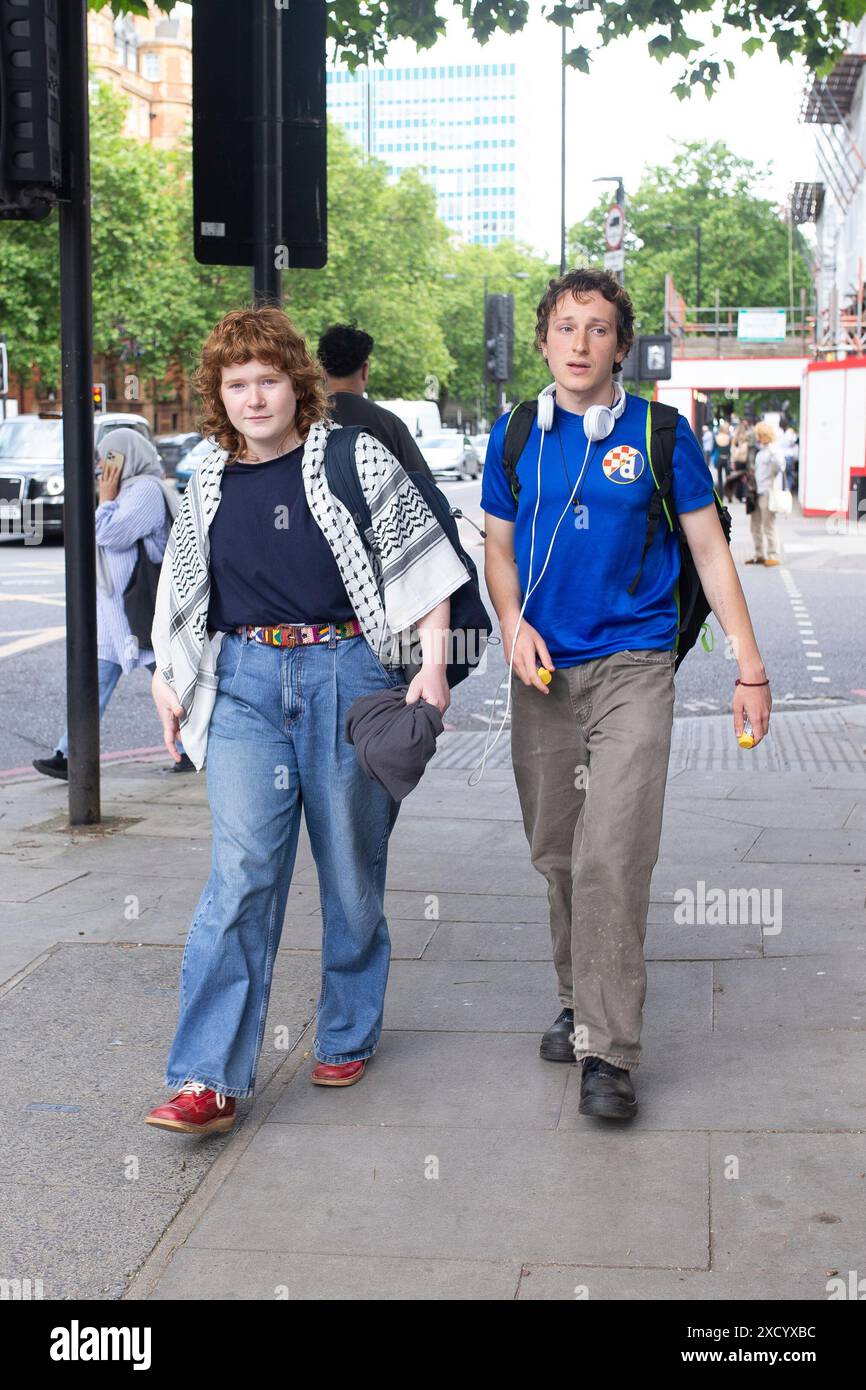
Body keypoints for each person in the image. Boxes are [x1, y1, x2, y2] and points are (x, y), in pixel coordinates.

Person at [145, 306, 469, 1135]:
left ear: (298, 382)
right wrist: (168, 680)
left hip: (348, 673)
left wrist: (432, 667)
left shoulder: (352, 455)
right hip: (244, 678)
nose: (254, 398)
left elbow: (424, 563)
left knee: (351, 866)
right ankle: (206, 1077)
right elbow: (182, 590)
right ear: (221, 394)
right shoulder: (207, 475)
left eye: (268, 379)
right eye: (237, 383)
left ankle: (348, 1028)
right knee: (244, 868)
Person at [481, 268, 772, 1122]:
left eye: (598, 328)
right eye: (565, 327)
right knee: (560, 853)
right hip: (542, 673)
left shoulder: (659, 433)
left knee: (615, 852)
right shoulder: (513, 437)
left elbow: (714, 554)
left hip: (635, 667)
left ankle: (608, 1051)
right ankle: (577, 1000)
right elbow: (498, 549)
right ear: (542, 340)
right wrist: (509, 622)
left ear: (621, 344)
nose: (579, 343)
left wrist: (749, 669)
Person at [32, 427, 189, 781]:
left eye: (109, 456)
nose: (102, 464)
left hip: (138, 612)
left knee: (170, 684)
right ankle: (69, 754)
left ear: (126, 456)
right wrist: (108, 496)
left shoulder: (146, 490)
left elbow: (107, 534)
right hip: (113, 615)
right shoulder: (125, 490)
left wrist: (105, 498)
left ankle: (193, 747)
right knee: (93, 682)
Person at [317, 322, 434, 482]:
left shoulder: (303, 420)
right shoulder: (390, 424)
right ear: (365, 370)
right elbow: (425, 488)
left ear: (321, 371)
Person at [746, 421, 785, 567]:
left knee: (768, 525)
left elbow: (780, 467)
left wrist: (774, 457)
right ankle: (759, 554)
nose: (756, 437)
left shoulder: (773, 451)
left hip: (768, 493)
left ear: (763, 435)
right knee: (754, 525)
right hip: (756, 492)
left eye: (758, 434)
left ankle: (773, 554)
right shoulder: (760, 452)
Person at [781, 417, 799, 493]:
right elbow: (794, 442)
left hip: (781, 456)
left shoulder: (778, 433)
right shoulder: (790, 433)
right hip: (789, 456)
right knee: (789, 475)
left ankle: (782, 490)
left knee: (782, 475)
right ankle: (787, 490)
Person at [714, 419, 732, 496]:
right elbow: (730, 450)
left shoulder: (716, 437)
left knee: (719, 478)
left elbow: (714, 449)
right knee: (729, 477)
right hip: (727, 458)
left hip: (719, 459)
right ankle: (729, 494)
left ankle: (720, 495)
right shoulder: (729, 438)